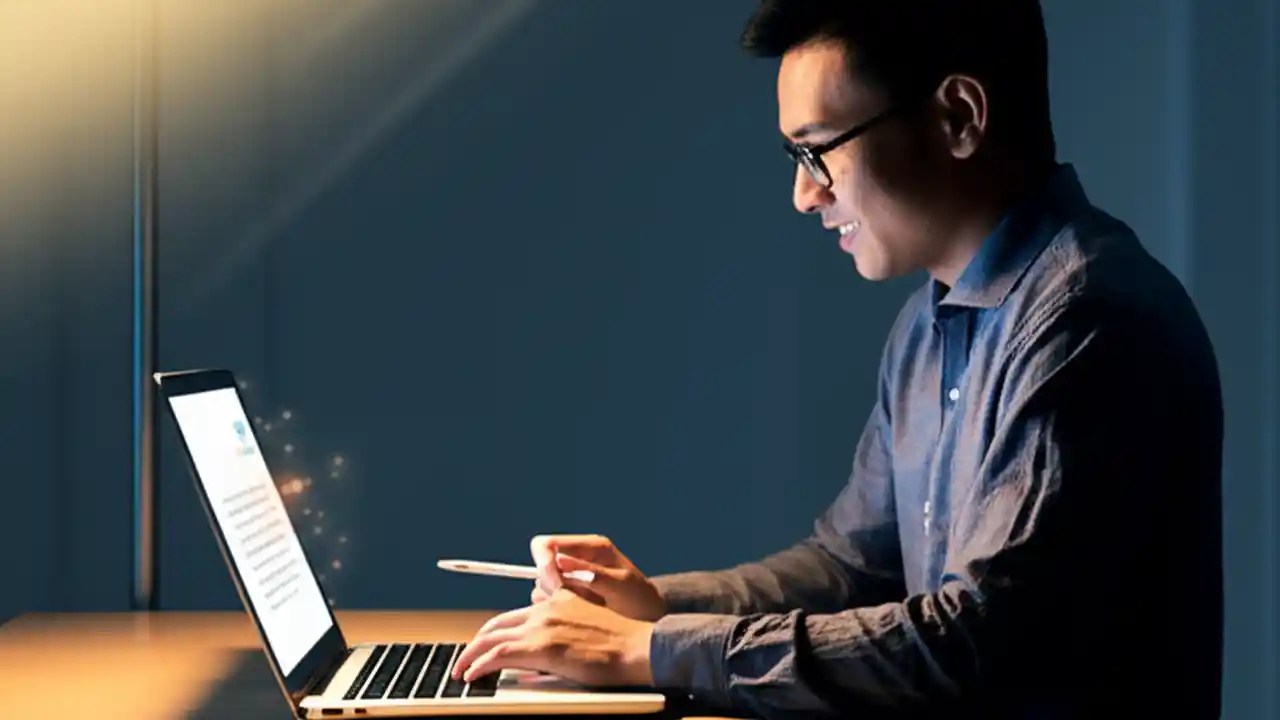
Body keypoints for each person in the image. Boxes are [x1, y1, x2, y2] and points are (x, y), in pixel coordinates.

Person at [451, 1, 1225, 717]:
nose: (803, 195)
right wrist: (655, 606)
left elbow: (973, 643)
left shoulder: (1087, 321)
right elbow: (851, 571)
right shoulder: (930, 324)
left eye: (817, 151)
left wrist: (653, 652)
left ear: (959, 116)